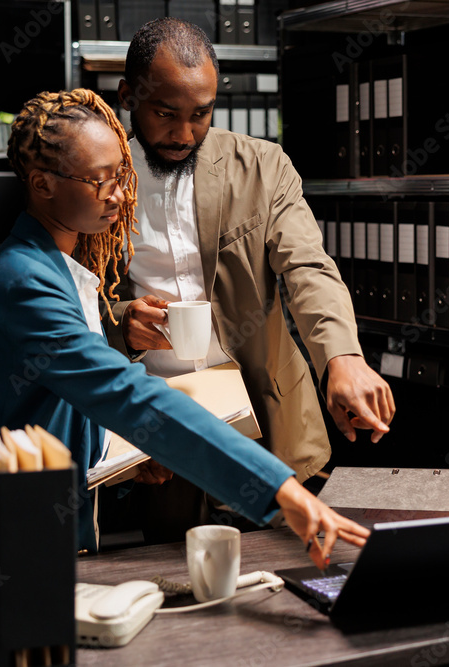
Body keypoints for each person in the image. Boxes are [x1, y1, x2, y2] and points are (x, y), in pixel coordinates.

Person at [0, 88, 369, 564]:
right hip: (22, 544)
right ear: (42, 184)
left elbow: (71, 405)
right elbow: (124, 393)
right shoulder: (24, 284)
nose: (120, 195)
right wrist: (281, 491)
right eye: (100, 181)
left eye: (121, 175)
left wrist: (124, 458)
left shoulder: (57, 267)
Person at [105, 18, 396, 492]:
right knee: (173, 542)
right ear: (127, 96)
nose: (184, 134)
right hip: (155, 428)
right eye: (165, 114)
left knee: (278, 540)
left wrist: (342, 356)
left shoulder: (263, 165)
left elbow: (307, 266)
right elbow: (74, 301)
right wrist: (122, 324)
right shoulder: (100, 180)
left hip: (265, 418)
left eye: (201, 114)